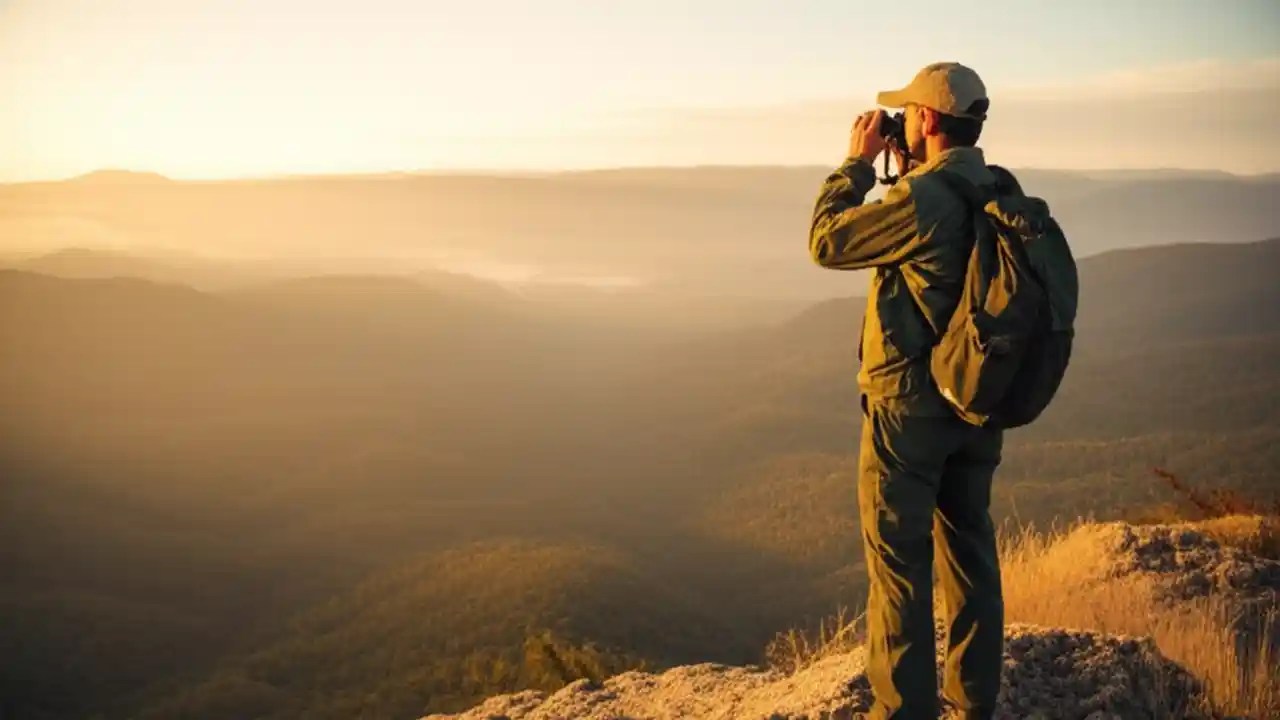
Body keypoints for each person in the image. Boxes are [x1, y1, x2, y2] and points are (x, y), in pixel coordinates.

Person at [807, 62, 1010, 719]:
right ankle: (975, 702)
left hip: (909, 412)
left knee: (899, 568)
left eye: (906, 114)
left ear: (926, 119)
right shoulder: (997, 187)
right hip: (979, 402)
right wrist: (905, 170)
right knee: (971, 551)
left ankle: (903, 712)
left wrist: (857, 166)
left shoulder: (923, 200)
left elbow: (828, 241)